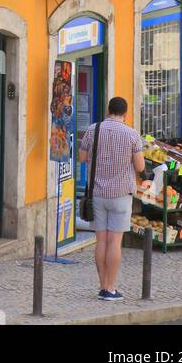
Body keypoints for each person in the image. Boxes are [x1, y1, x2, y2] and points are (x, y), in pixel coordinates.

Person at [78, 96, 145, 300]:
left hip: (98, 194)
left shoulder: (93, 130)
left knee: (101, 241)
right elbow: (140, 167)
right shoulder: (132, 134)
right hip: (121, 195)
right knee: (115, 242)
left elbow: (81, 158)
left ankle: (101, 286)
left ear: (108, 110)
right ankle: (111, 288)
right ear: (125, 113)